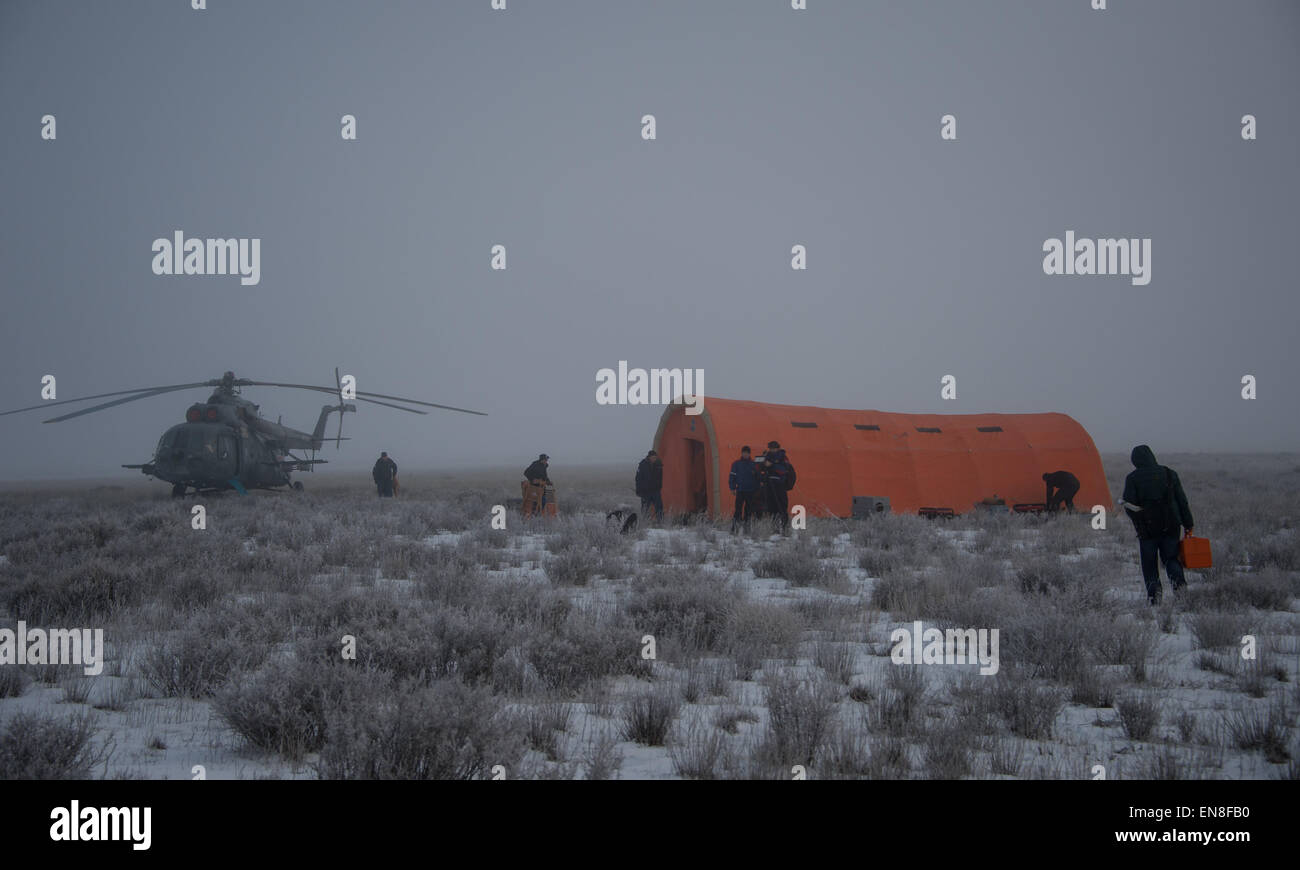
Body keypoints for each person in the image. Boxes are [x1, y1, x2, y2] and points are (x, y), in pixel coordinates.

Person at [1121, 445, 1194, 605]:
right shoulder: (1169, 474)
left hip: (1147, 529)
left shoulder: (1133, 478)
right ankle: (1181, 595)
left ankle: (1155, 599)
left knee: (1149, 563)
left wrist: (1138, 521)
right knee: (1172, 559)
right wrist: (1188, 523)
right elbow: (1182, 501)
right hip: (1171, 525)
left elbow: (1128, 504)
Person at [759, 441, 796, 533]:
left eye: (774, 448)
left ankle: (785, 528)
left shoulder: (783, 457)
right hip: (769, 484)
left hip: (780, 485)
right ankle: (774, 529)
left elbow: (784, 470)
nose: (772, 450)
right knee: (772, 507)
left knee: (782, 507)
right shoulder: (767, 456)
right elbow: (761, 469)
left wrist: (772, 465)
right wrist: (763, 464)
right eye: (771, 448)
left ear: (778, 448)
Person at [728, 445, 760, 533]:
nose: (745, 455)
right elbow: (732, 476)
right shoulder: (736, 464)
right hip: (740, 490)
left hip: (751, 491)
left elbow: (758, 478)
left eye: (747, 453)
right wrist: (732, 488)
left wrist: (757, 489)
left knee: (748, 511)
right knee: (738, 510)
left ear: (749, 454)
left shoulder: (754, 464)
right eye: (744, 453)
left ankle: (747, 529)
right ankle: (734, 528)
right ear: (741, 453)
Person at [634, 450, 663, 521]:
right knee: (645, 509)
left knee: (659, 507)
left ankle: (661, 522)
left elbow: (660, 478)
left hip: (655, 491)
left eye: (655, 457)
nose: (654, 459)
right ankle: (645, 523)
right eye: (653, 457)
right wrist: (638, 490)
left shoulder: (658, 464)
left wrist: (659, 486)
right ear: (649, 457)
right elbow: (638, 478)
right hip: (645, 491)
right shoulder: (643, 464)